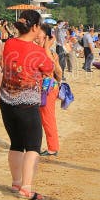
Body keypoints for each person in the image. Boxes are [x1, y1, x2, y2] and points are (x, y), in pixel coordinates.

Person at [0, 9, 54, 200]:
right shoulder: (37, 51)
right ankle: (26, 187)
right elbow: (49, 68)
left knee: (16, 143)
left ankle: (16, 182)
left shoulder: (9, 44)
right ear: (36, 27)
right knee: (33, 147)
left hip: (6, 101)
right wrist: (45, 48)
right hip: (27, 104)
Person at [36, 23, 63, 157]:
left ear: (46, 37)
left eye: (39, 34)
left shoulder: (50, 52)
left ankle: (52, 148)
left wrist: (46, 48)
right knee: (37, 119)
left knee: (47, 118)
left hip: (47, 90)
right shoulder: (35, 50)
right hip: (37, 89)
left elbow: (57, 71)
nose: (36, 36)